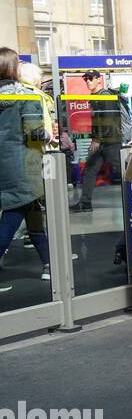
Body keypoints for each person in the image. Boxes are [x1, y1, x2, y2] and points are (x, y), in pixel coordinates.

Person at [0, 49, 56, 289]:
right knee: (14, 215)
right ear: (13, 68)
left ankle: (49, 264)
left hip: (4, 165)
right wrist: (50, 135)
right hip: (24, 166)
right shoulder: (27, 96)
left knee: (32, 215)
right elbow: (34, 133)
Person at [71, 70, 129, 212]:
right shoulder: (95, 97)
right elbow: (97, 120)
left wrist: (97, 139)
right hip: (102, 141)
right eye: (86, 79)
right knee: (90, 170)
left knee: (122, 171)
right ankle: (85, 203)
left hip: (110, 141)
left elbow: (108, 119)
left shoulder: (105, 96)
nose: (88, 81)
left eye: (91, 78)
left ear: (98, 79)